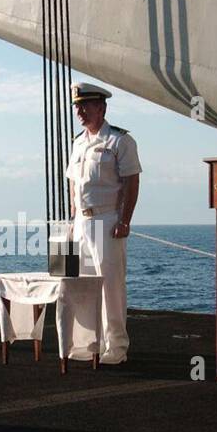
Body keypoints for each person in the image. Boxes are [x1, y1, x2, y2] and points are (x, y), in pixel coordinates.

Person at [66, 81, 141, 365]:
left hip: (108, 219)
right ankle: (88, 343)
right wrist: (72, 219)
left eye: (84, 105)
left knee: (111, 286)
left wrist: (125, 220)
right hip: (81, 222)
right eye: (77, 106)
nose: (79, 111)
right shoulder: (78, 143)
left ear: (101, 107)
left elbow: (132, 182)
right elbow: (74, 185)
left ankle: (116, 347)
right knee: (81, 285)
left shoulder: (120, 141)